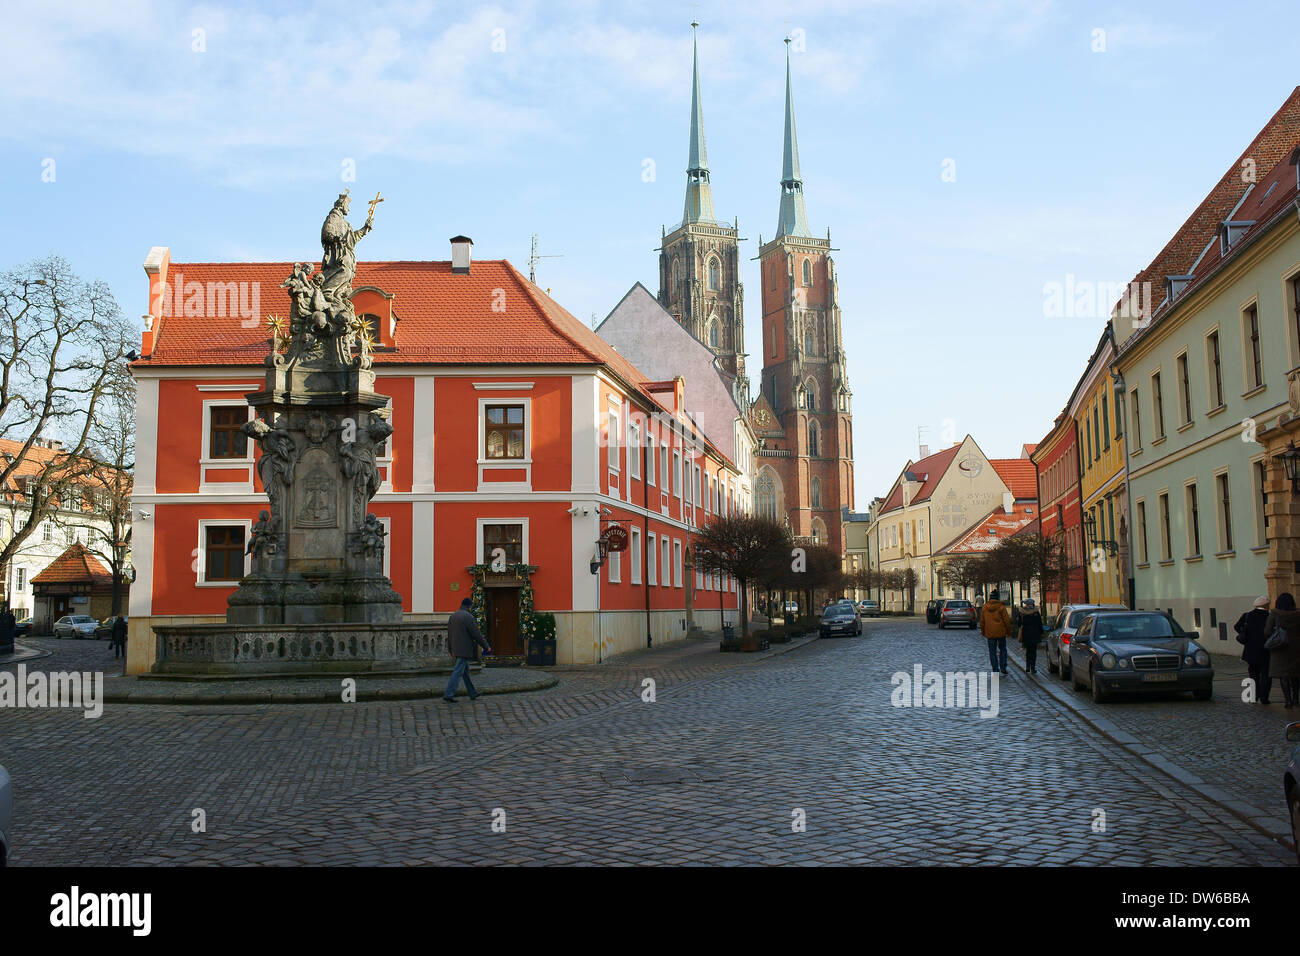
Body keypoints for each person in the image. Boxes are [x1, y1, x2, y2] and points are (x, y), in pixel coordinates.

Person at [444, 597, 492, 703]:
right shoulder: (468, 617)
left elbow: (449, 634)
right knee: (457, 671)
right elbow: (476, 634)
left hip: (456, 648)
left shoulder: (453, 616)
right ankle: (449, 693)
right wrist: (486, 646)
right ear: (469, 606)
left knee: (465, 672)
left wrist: (450, 649)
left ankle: (472, 692)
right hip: (464, 648)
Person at [1264, 592, 1300, 709]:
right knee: (1295, 675)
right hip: (1296, 648)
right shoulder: (1297, 614)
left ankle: (1288, 701)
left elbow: (1267, 631)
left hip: (1280, 648)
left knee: (1283, 676)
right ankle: (1296, 699)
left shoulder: (1275, 614)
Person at [1234, 595, 1272, 705]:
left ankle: (1254, 695)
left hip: (1250, 649)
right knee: (1265, 674)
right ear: (1267, 605)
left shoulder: (1247, 615)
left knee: (1253, 673)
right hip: (1265, 649)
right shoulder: (1268, 616)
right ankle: (1264, 698)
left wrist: (1245, 633)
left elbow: (1236, 627)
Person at [980, 589, 1012, 676]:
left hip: (990, 632)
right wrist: (1009, 631)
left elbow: (982, 621)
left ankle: (995, 669)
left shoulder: (985, 607)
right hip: (1001, 632)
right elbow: (1006, 620)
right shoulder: (1001, 607)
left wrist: (983, 631)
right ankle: (1003, 666)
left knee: (992, 651)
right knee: (1003, 649)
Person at [1018, 598, 1044, 676]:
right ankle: (1033, 668)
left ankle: (1027, 666)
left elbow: (1019, 624)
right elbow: (1040, 623)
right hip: (1035, 634)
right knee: (1033, 651)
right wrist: (1041, 632)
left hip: (1026, 634)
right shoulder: (1036, 613)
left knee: (1028, 651)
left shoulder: (1022, 613)